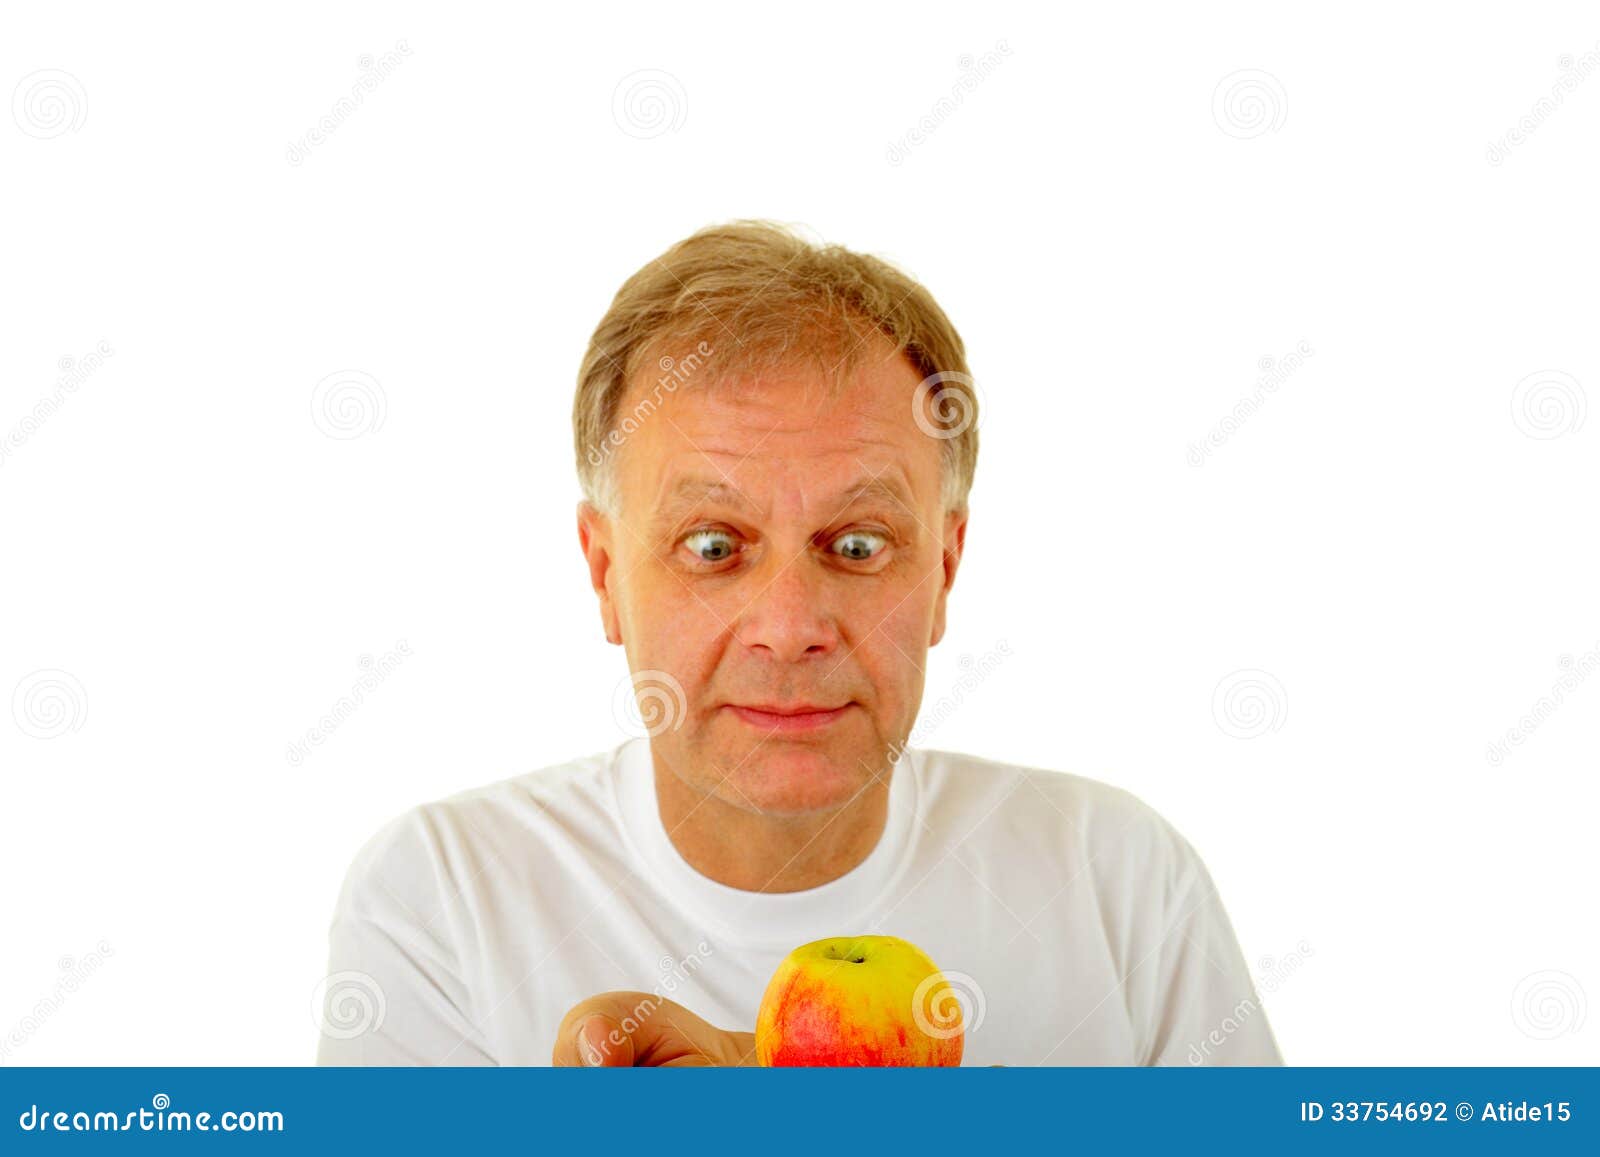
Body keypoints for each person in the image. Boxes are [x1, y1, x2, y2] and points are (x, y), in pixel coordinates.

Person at [315, 221, 1283, 1067]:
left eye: (857, 545)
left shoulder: (1119, 879)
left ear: (943, 569)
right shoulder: (441, 896)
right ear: (605, 573)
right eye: (712, 546)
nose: (790, 626)